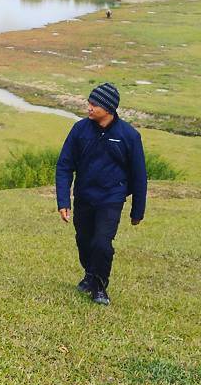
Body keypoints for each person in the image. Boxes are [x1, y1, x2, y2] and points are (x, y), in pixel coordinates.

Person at [55, 82, 147, 305]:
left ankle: (99, 286)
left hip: (111, 199)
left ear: (109, 108)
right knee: (84, 241)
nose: (89, 107)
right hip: (84, 196)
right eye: (89, 102)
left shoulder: (129, 136)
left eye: (94, 104)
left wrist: (138, 211)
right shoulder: (79, 130)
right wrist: (63, 201)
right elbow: (64, 166)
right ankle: (89, 274)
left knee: (102, 244)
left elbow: (139, 176)